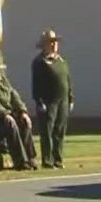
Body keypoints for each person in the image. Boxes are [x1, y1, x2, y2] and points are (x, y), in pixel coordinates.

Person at [31, 29, 73, 168]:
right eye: (51, 42)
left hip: (63, 101)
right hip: (48, 101)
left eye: (55, 42)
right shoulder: (39, 62)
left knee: (59, 131)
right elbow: (36, 84)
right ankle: (47, 160)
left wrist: (70, 98)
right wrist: (39, 101)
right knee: (47, 131)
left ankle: (58, 159)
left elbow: (67, 80)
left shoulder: (61, 61)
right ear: (44, 45)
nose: (54, 45)